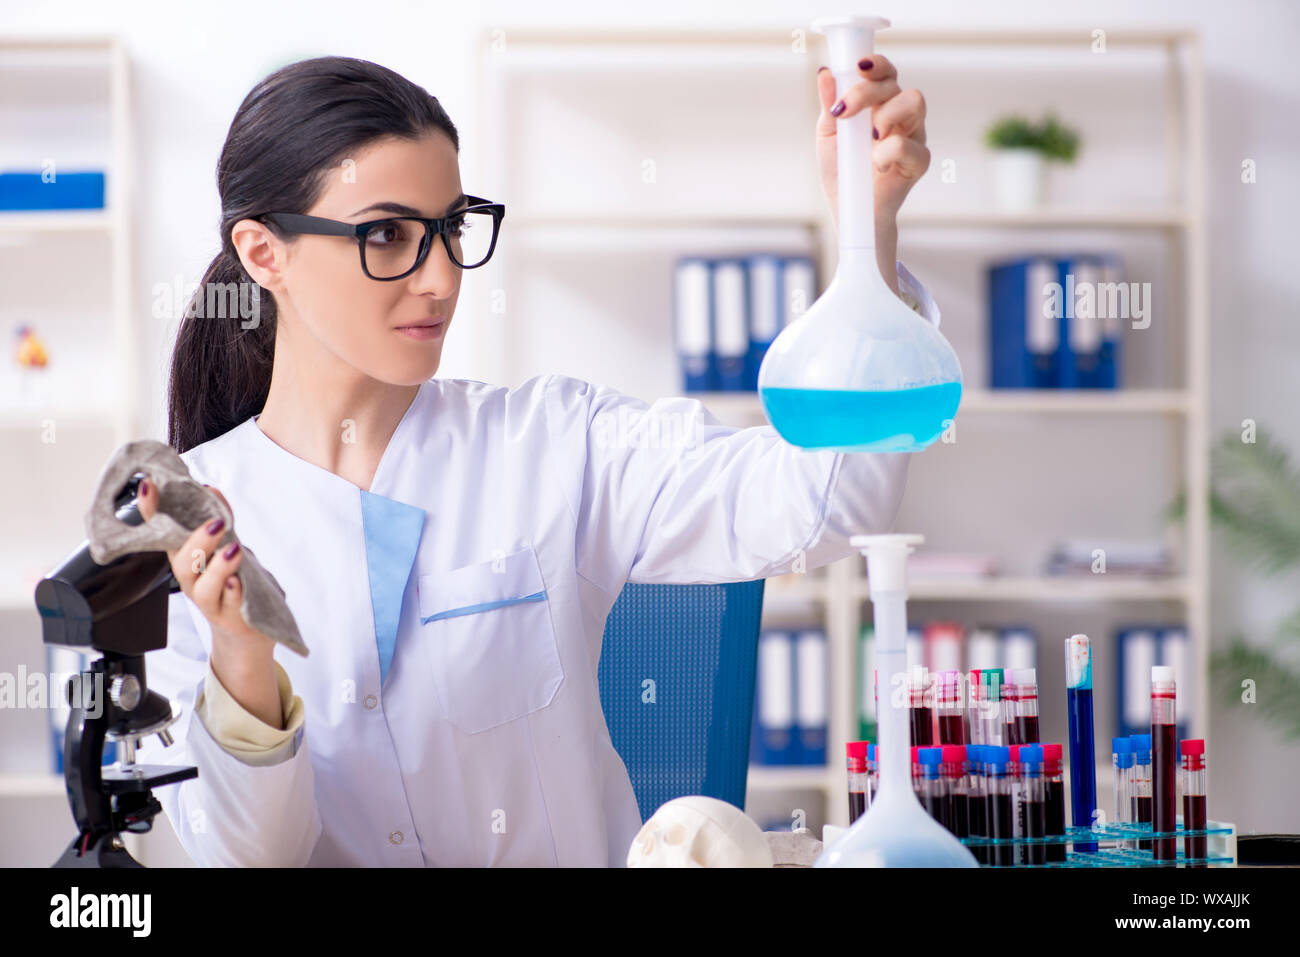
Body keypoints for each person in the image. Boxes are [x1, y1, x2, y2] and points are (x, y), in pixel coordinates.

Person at [133, 54, 936, 866]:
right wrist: (242, 656)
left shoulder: (554, 444)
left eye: (451, 227)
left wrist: (868, 242)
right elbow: (249, 855)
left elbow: (830, 504)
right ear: (264, 253)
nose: (441, 277)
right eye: (387, 235)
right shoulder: (191, 520)